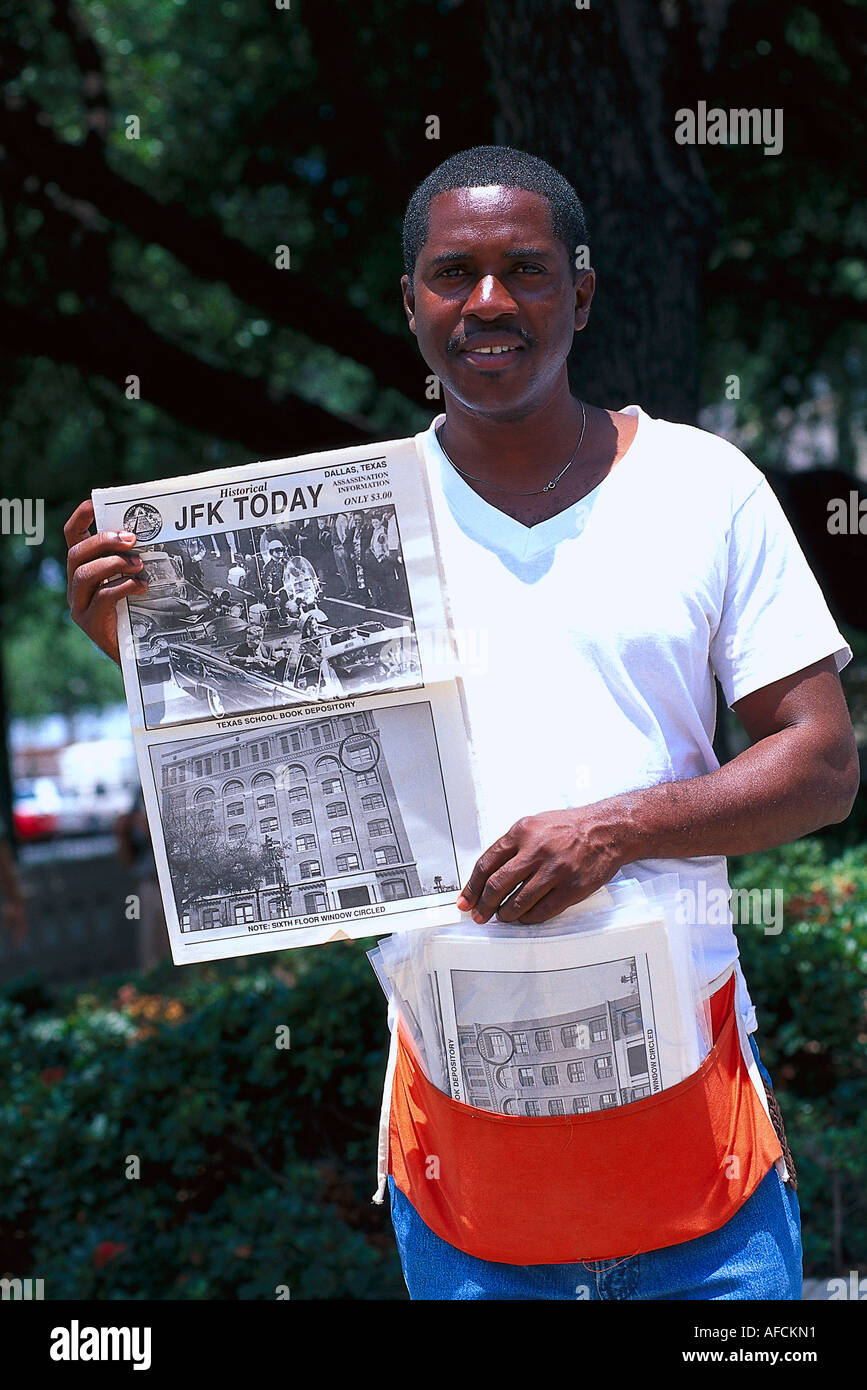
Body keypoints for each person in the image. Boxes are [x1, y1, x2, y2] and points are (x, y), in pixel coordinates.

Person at [63, 144, 859, 1302]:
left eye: (525, 269)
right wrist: (159, 667)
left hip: (705, 1182)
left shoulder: (705, 486)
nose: (488, 300)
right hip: (466, 1192)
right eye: (453, 274)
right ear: (411, 304)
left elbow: (824, 762)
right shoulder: (336, 532)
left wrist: (619, 828)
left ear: (581, 294)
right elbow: (285, 842)